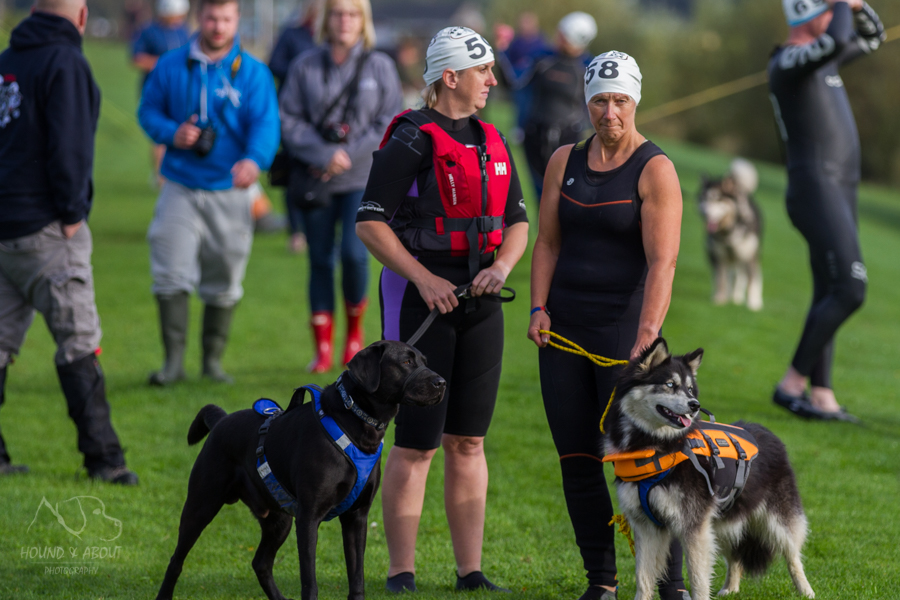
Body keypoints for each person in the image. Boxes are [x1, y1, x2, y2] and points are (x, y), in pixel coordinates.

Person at [356, 26, 529, 593]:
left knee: (469, 441)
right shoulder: (411, 136)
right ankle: (400, 573)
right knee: (415, 442)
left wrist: (500, 268)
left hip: (481, 302)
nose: (493, 80)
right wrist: (425, 278)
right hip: (420, 301)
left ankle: (469, 572)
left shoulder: (491, 139)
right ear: (450, 76)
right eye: (483, 71)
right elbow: (371, 223)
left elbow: (518, 222)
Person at [527, 52, 687, 600]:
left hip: (626, 339)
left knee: (646, 465)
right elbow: (547, 241)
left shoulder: (655, 169)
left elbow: (663, 262)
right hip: (564, 332)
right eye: (599, 99)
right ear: (586, 101)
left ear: (635, 101)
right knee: (576, 460)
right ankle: (603, 580)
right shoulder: (563, 160)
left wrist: (648, 334)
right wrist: (537, 308)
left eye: (620, 100)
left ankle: (671, 585)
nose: (609, 112)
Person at [0, 0, 138, 484]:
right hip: (47, 230)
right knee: (79, 343)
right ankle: (104, 460)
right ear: (81, 16)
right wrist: (74, 214)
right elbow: (70, 146)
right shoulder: (66, 62)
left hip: (4, 227)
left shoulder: (7, 60)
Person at [137, 0, 280, 386]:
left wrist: (255, 160)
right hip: (179, 185)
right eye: (212, 17)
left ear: (237, 21)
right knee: (169, 271)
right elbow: (147, 110)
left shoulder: (252, 72)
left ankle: (212, 362)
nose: (218, 26)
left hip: (231, 189)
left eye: (227, 19)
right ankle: (172, 364)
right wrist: (171, 133)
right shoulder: (170, 64)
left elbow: (266, 124)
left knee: (226, 275)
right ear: (199, 17)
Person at [768, 0, 884, 421]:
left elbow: (872, 37)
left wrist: (858, 6)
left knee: (828, 291)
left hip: (840, 187)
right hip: (816, 189)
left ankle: (822, 394)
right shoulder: (788, 61)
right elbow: (836, 38)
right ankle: (791, 384)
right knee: (850, 289)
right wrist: (841, 6)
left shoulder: (819, 59)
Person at [280, 0, 402, 373]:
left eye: (352, 14)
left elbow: (389, 119)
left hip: (363, 178)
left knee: (353, 253)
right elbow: (288, 119)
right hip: (316, 179)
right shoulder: (304, 66)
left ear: (362, 20)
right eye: (337, 13)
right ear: (325, 20)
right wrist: (322, 153)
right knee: (319, 259)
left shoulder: (380, 65)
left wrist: (347, 152)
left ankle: (353, 334)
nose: (344, 20)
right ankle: (321, 348)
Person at [502, 12, 596, 199]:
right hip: (535, 135)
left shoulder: (589, 66)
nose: (557, 36)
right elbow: (512, 82)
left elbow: (597, 102)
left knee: (567, 196)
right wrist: (502, 51)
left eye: (562, 33)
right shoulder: (542, 59)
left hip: (570, 138)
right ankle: (544, 229)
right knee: (541, 195)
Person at [269, 0, 319, 254]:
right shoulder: (292, 34)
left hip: (319, 118)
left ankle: (317, 228)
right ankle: (296, 230)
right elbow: (273, 64)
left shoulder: (328, 39)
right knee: (293, 174)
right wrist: (302, 72)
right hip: (292, 113)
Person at [132, 0, 191, 185]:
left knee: (181, 129)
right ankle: (161, 176)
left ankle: (178, 170)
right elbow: (137, 58)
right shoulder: (149, 31)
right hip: (155, 88)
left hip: (181, 89)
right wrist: (164, 64)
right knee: (160, 130)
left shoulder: (184, 31)